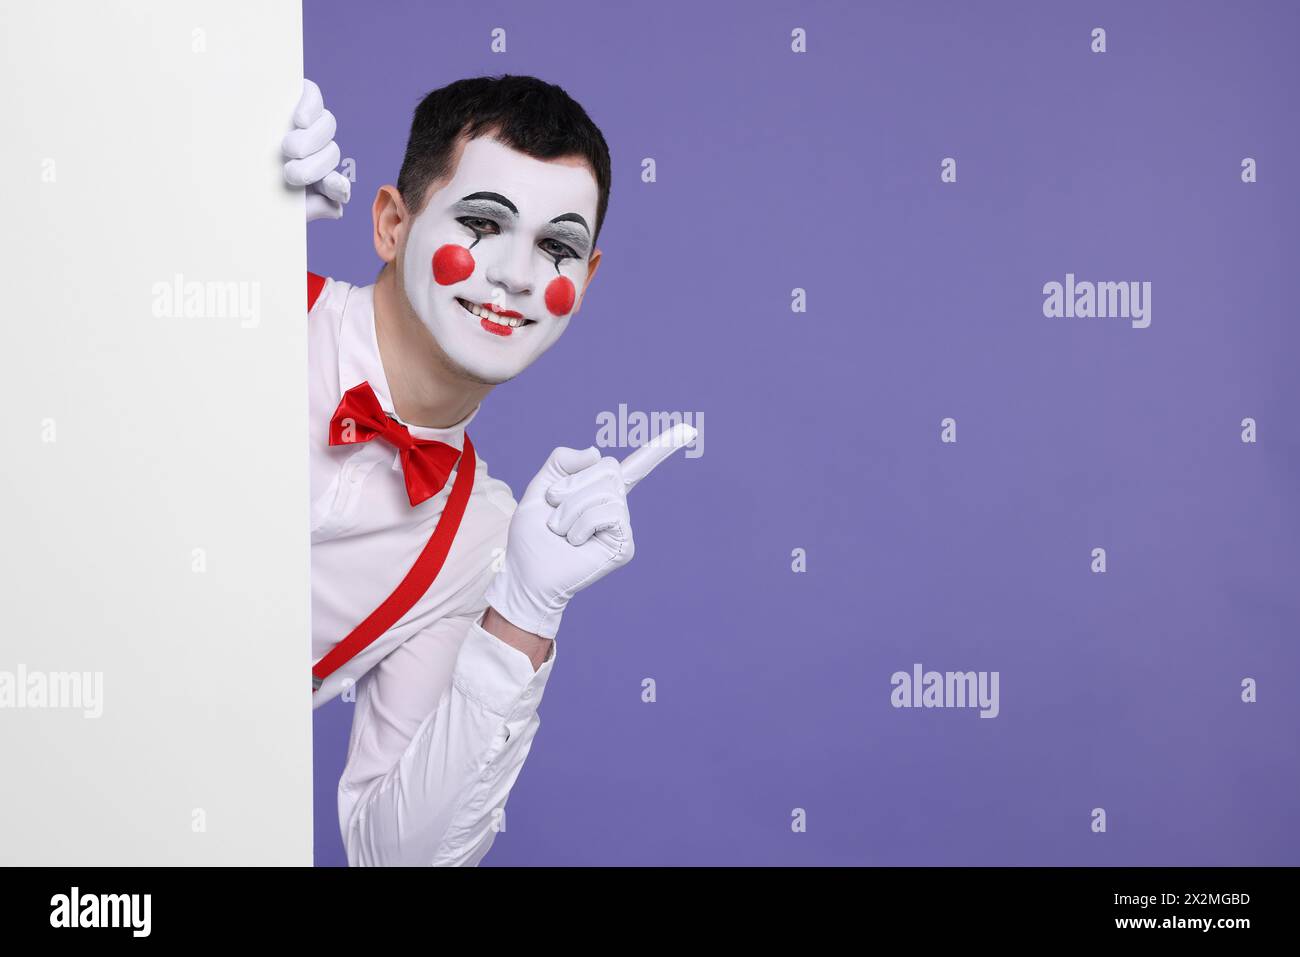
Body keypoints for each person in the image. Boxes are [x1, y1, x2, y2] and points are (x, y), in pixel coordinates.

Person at [281, 75, 693, 865]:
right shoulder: (241, 306)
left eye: (557, 246)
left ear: (588, 282)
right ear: (392, 223)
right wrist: (180, 220)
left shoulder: (480, 540)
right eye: (481, 223)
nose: (515, 275)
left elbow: (395, 855)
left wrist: (524, 616)